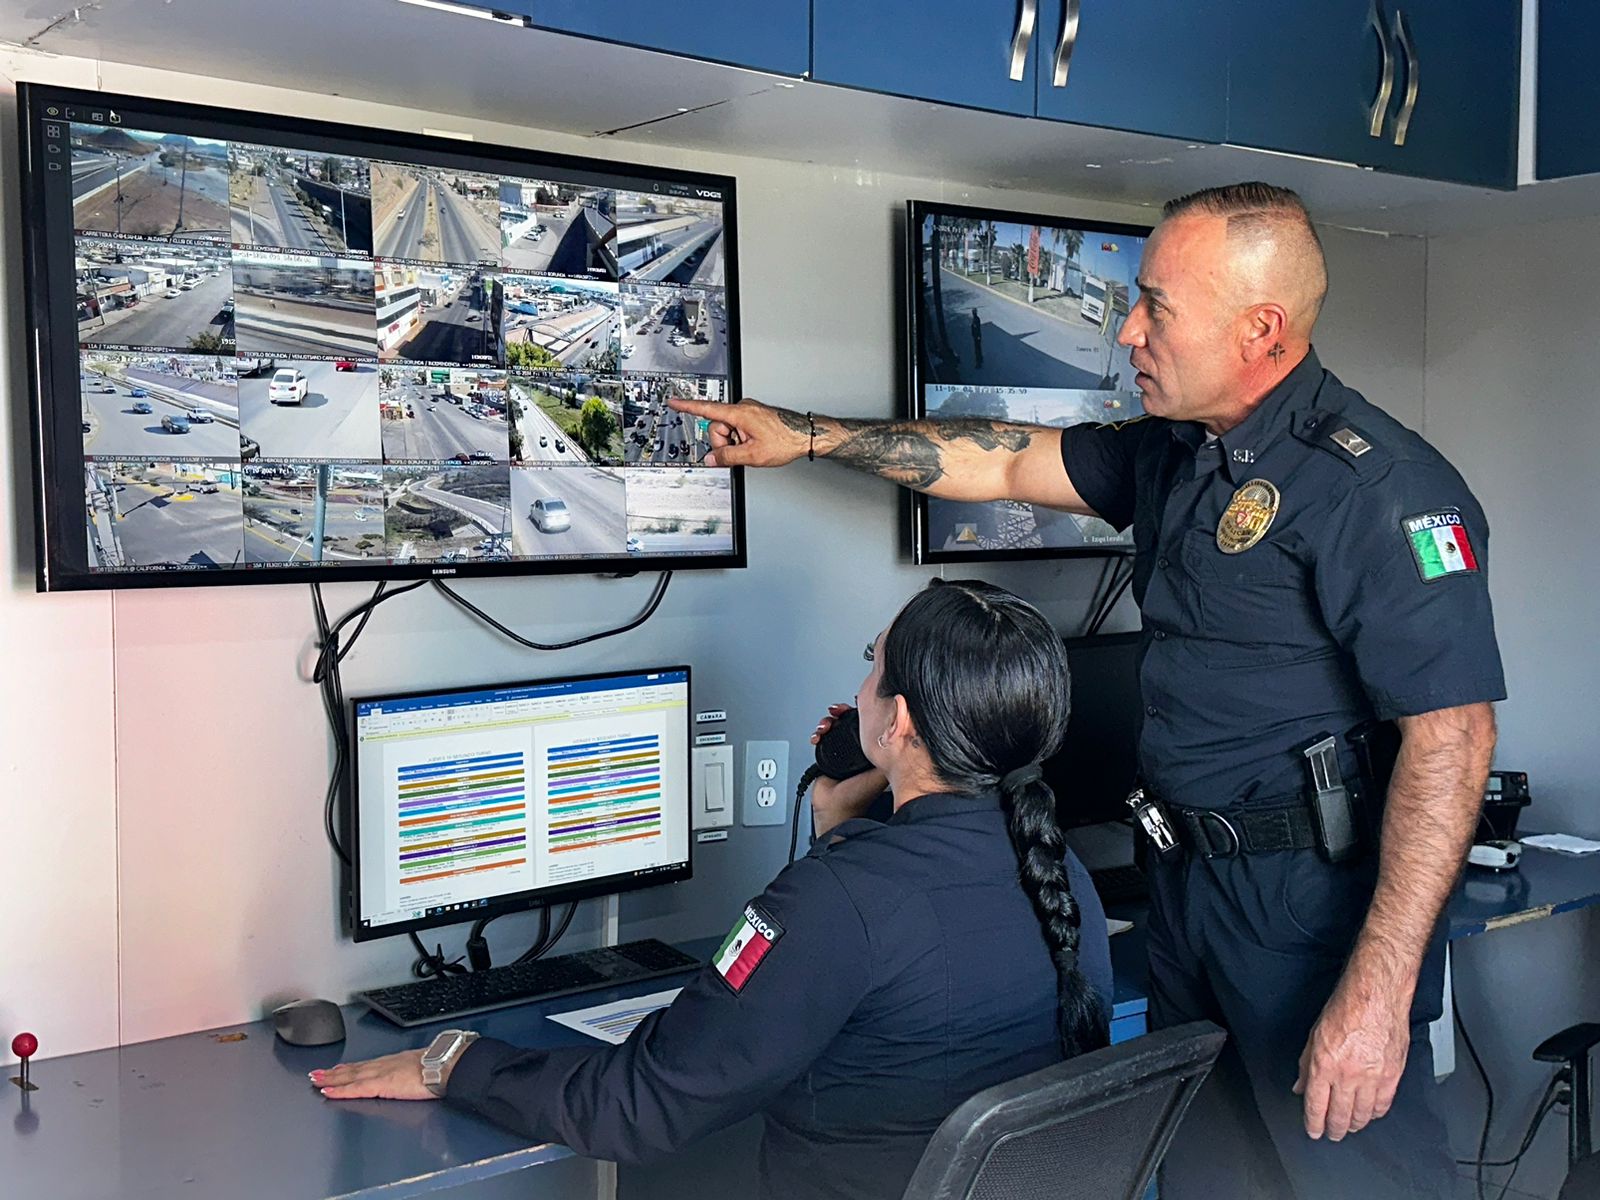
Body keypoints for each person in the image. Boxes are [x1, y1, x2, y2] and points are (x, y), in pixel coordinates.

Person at [668, 182, 1503, 1199]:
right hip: (1186, 890)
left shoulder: (1378, 488)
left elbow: (1452, 738)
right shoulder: (1175, 453)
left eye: (1157, 306)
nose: (1127, 328)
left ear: (1261, 330)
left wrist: (1377, 992)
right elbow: (1002, 463)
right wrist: (804, 436)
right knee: (1211, 1180)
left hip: (1313, 910)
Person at [314, 579, 1113, 1200]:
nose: (863, 684)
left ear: (897, 720)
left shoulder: (838, 902)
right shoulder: (1058, 871)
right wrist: (836, 825)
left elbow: (636, 1107)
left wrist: (455, 1062)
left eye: (872, 663)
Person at [970, 305, 984, 370]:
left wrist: (977, 336)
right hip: (977, 336)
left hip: (977, 336)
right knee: (978, 348)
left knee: (977, 350)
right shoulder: (976, 318)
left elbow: (977, 328)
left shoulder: (976, 319)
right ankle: (980, 359)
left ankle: (978, 363)